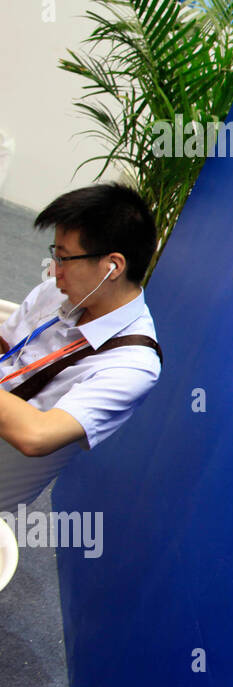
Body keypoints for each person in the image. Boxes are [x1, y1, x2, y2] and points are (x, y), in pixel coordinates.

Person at [0, 183, 162, 511]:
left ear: (112, 267)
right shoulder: (56, 292)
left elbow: (36, 436)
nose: (53, 271)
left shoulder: (134, 365)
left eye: (64, 258)